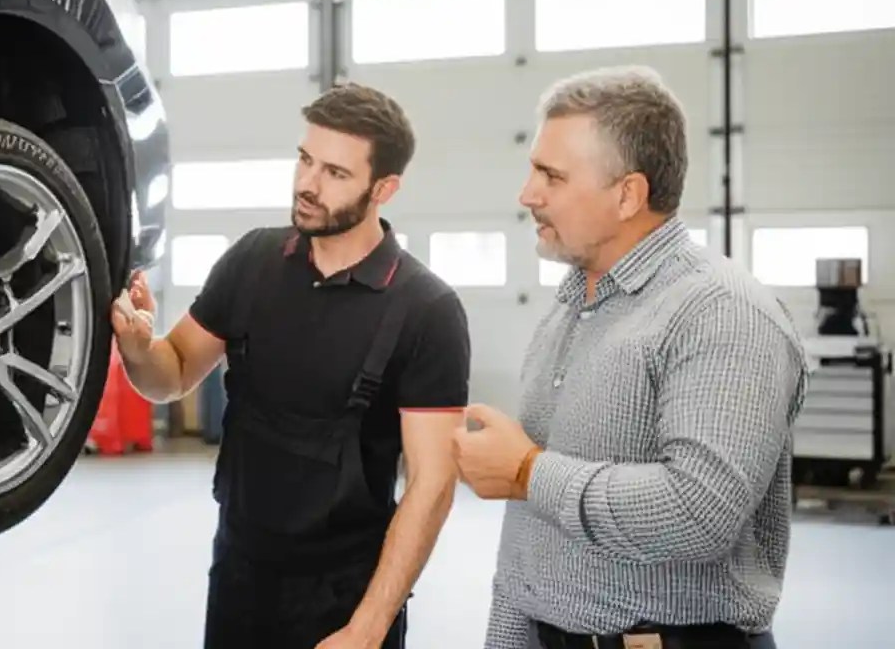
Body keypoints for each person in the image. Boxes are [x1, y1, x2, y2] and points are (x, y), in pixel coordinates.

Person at [450, 66, 806, 649]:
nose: (527, 194)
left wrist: (528, 472)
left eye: (551, 176)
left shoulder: (721, 312)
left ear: (628, 195)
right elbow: (530, 537)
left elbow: (700, 511)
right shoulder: (570, 311)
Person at [111, 82, 472, 649]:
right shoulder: (252, 260)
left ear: (385, 188)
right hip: (237, 576)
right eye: (305, 159)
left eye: (335, 173)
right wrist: (137, 348)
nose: (307, 184)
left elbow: (433, 486)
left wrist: (369, 627)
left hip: (346, 600)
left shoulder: (426, 310)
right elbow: (174, 370)